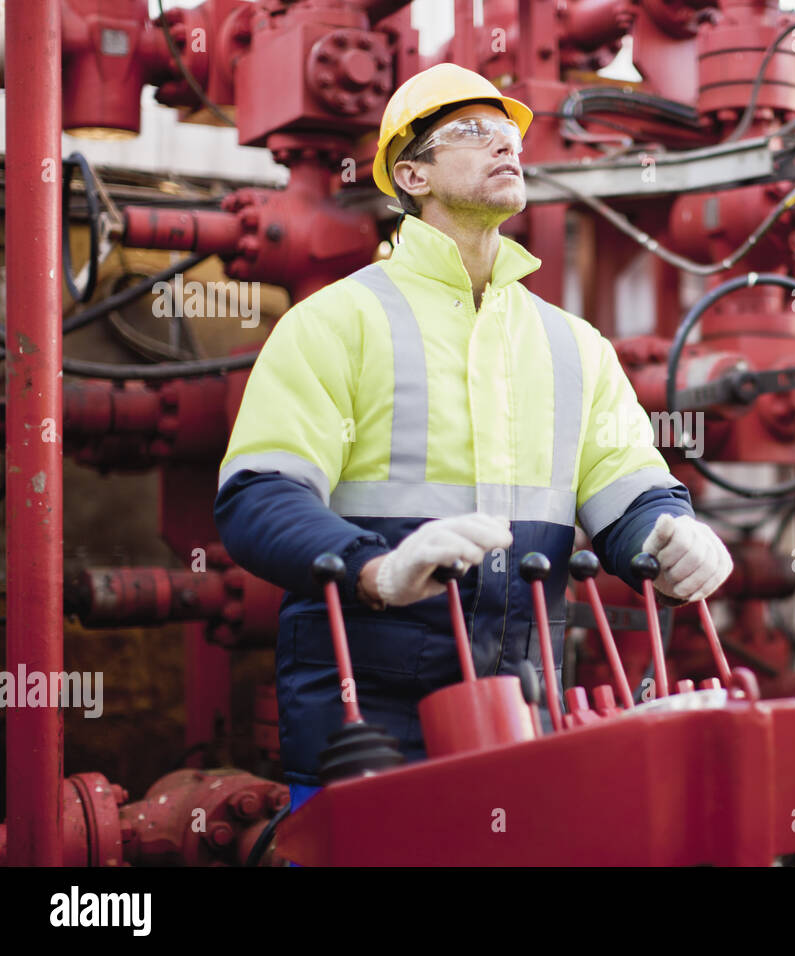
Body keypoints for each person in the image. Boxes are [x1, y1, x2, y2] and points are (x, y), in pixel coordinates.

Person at [213, 63, 733, 813]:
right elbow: (258, 499)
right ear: (411, 173)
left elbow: (632, 494)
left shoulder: (572, 345)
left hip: (525, 709)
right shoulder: (336, 322)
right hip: (364, 723)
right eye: (473, 132)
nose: (505, 147)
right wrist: (377, 570)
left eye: (510, 135)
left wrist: (674, 534)